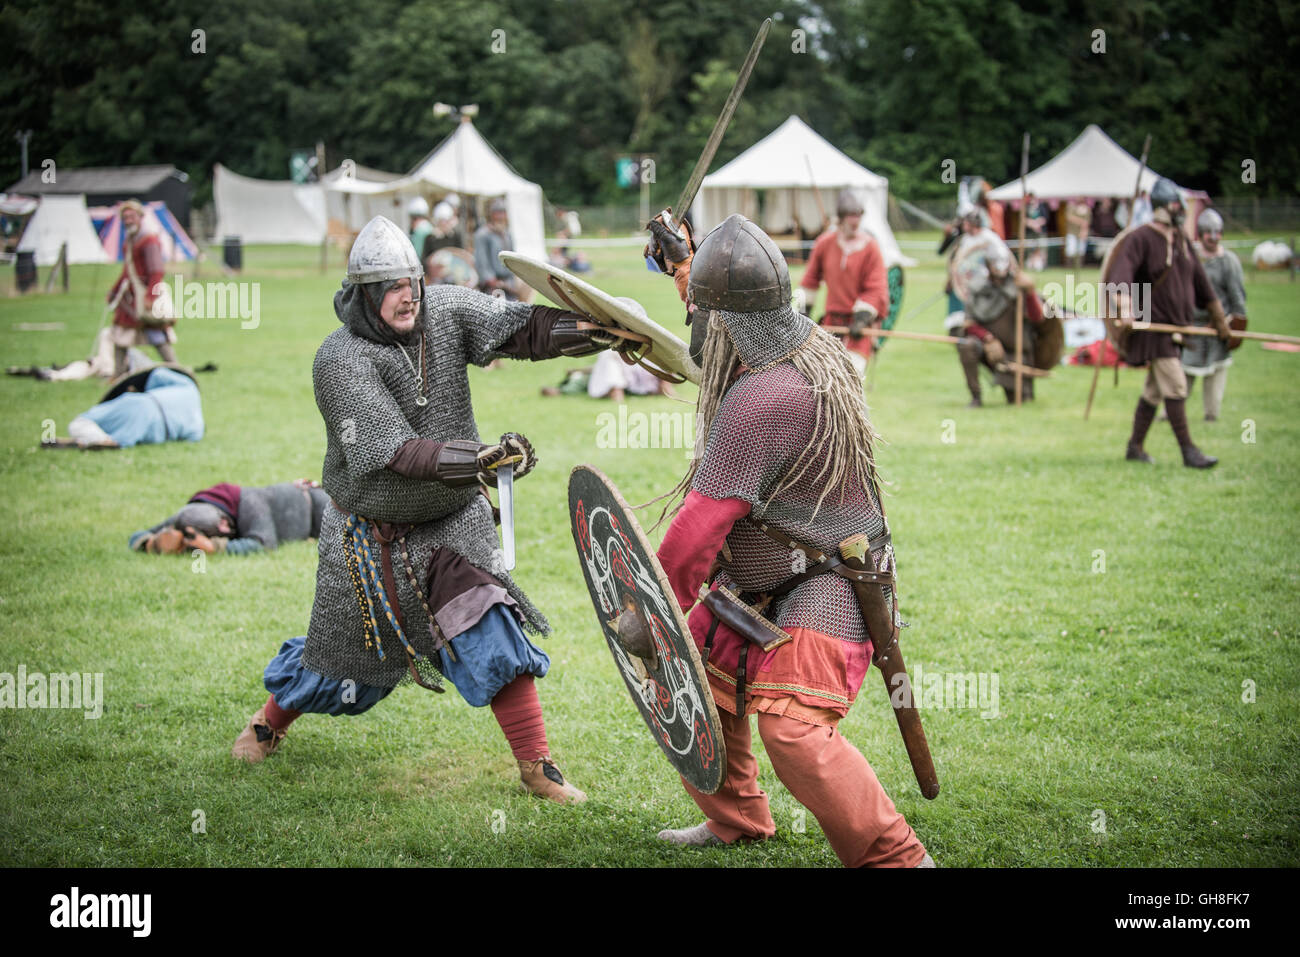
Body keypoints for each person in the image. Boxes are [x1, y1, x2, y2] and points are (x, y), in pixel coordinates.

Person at [230, 215, 622, 803]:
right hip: (368, 538)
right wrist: (481, 458)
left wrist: (592, 332)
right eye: (390, 286)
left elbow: (516, 329)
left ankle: (537, 766)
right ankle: (267, 723)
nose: (407, 294)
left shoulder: (442, 311)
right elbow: (394, 452)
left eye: (410, 280)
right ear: (363, 294)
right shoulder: (339, 360)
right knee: (335, 652)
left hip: (452, 527)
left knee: (492, 623)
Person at [644, 212, 934, 868]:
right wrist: (687, 266)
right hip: (762, 574)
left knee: (794, 729)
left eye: (706, 310)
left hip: (829, 578)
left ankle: (899, 859)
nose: (702, 324)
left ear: (731, 319)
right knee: (695, 688)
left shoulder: (766, 395)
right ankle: (737, 818)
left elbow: (695, 532)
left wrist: (650, 607)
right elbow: (712, 334)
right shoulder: (807, 342)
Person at [1106, 178, 1232, 468]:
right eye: (1176, 205)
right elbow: (1120, 274)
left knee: (1153, 390)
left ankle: (1134, 447)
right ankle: (1189, 451)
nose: (1181, 210)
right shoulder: (1141, 238)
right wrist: (1125, 307)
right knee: (1176, 387)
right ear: (1162, 207)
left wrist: (1218, 318)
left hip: (1174, 328)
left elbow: (1201, 282)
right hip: (1153, 328)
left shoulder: (1182, 240)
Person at [795, 190, 890, 376]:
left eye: (858, 219)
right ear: (840, 219)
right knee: (825, 374)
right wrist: (802, 314)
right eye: (850, 219)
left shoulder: (870, 247)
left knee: (853, 374)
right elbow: (809, 281)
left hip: (860, 326)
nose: (855, 225)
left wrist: (862, 319)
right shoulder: (824, 243)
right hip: (832, 323)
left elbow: (877, 287)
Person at [128, 479, 329, 555]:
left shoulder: (251, 502)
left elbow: (265, 545)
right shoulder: (189, 517)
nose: (224, 529)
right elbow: (137, 535)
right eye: (219, 528)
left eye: (224, 525)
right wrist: (153, 543)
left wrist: (215, 547)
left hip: (320, 509)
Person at [42, 363, 203, 449]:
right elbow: (192, 438)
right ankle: (100, 441)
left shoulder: (188, 386)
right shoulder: (198, 425)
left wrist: (137, 388)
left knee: (81, 421)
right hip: (157, 432)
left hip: (142, 404)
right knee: (123, 437)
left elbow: (157, 374)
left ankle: (95, 439)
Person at [1185, 208, 1245, 422]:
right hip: (1191, 326)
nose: (1213, 237)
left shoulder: (1228, 261)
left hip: (1219, 326)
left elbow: (1238, 297)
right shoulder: (1189, 257)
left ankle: (1211, 415)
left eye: (1217, 232)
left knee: (1215, 373)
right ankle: (1170, 414)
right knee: (1182, 374)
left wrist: (1234, 325)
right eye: (1209, 232)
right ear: (1200, 234)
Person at [106, 199, 178, 376]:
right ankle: (118, 375)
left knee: (156, 336)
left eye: (132, 216)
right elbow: (127, 271)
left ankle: (176, 369)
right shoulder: (130, 241)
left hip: (145, 295)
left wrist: (150, 297)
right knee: (120, 336)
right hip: (131, 298)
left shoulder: (148, 240)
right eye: (125, 217)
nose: (128, 220)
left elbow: (156, 271)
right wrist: (114, 291)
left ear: (140, 217)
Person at [473, 198, 528, 300]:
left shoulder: (507, 234)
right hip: (491, 285)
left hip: (508, 283)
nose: (501, 216)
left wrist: (514, 279)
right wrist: (491, 280)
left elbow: (512, 257)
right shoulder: (483, 234)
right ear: (492, 215)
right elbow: (481, 261)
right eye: (498, 213)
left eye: (503, 213)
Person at [1023, 193, 1048, 271]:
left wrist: (1037, 224)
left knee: (1042, 248)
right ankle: (1031, 266)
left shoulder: (1041, 206)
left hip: (1041, 232)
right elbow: (1024, 220)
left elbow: (1045, 218)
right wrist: (1032, 224)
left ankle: (1044, 266)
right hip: (1030, 233)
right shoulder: (1026, 207)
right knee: (1031, 249)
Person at [1065, 198, 1091, 269]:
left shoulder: (1087, 210)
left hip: (1081, 234)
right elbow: (1069, 217)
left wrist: (1084, 232)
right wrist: (1081, 221)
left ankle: (1079, 267)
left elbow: (1087, 223)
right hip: (1072, 233)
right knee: (1071, 251)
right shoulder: (1071, 208)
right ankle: (1069, 267)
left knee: (1081, 251)